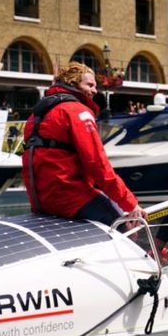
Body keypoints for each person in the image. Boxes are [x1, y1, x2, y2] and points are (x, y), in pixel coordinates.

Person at [22, 61, 146, 225]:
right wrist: (130, 203)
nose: (95, 90)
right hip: (70, 197)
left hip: (40, 201)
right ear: (73, 83)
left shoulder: (36, 115)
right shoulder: (77, 111)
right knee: (124, 227)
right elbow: (97, 164)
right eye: (90, 85)